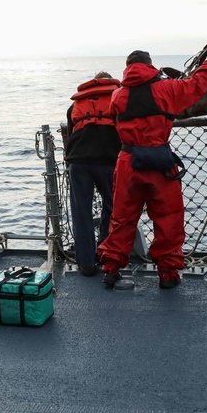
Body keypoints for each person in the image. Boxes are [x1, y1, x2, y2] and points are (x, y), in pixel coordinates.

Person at [97, 49, 207, 288]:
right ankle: (167, 273)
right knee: (168, 217)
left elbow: (114, 118)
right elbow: (197, 85)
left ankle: (111, 268)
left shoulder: (117, 95)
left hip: (128, 161)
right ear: (150, 65)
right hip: (159, 159)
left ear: (127, 67)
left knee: (122, 217)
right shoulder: (167, 89)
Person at [64, 71, 121, 276]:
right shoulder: (118, 98)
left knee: (82, 213)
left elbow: (72, 134)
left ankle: (86, 263)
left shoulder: (75, 105)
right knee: (113, 208)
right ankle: (105, 254)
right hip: (109, 161)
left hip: (78, 163)